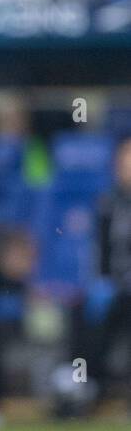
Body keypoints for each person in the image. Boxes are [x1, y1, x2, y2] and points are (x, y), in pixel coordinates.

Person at [92, 137, 131, 403]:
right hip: (118, 286)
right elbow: (101, 251)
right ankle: (90, 388)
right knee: (85, 310)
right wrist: (102, 281)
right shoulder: (109, 204)